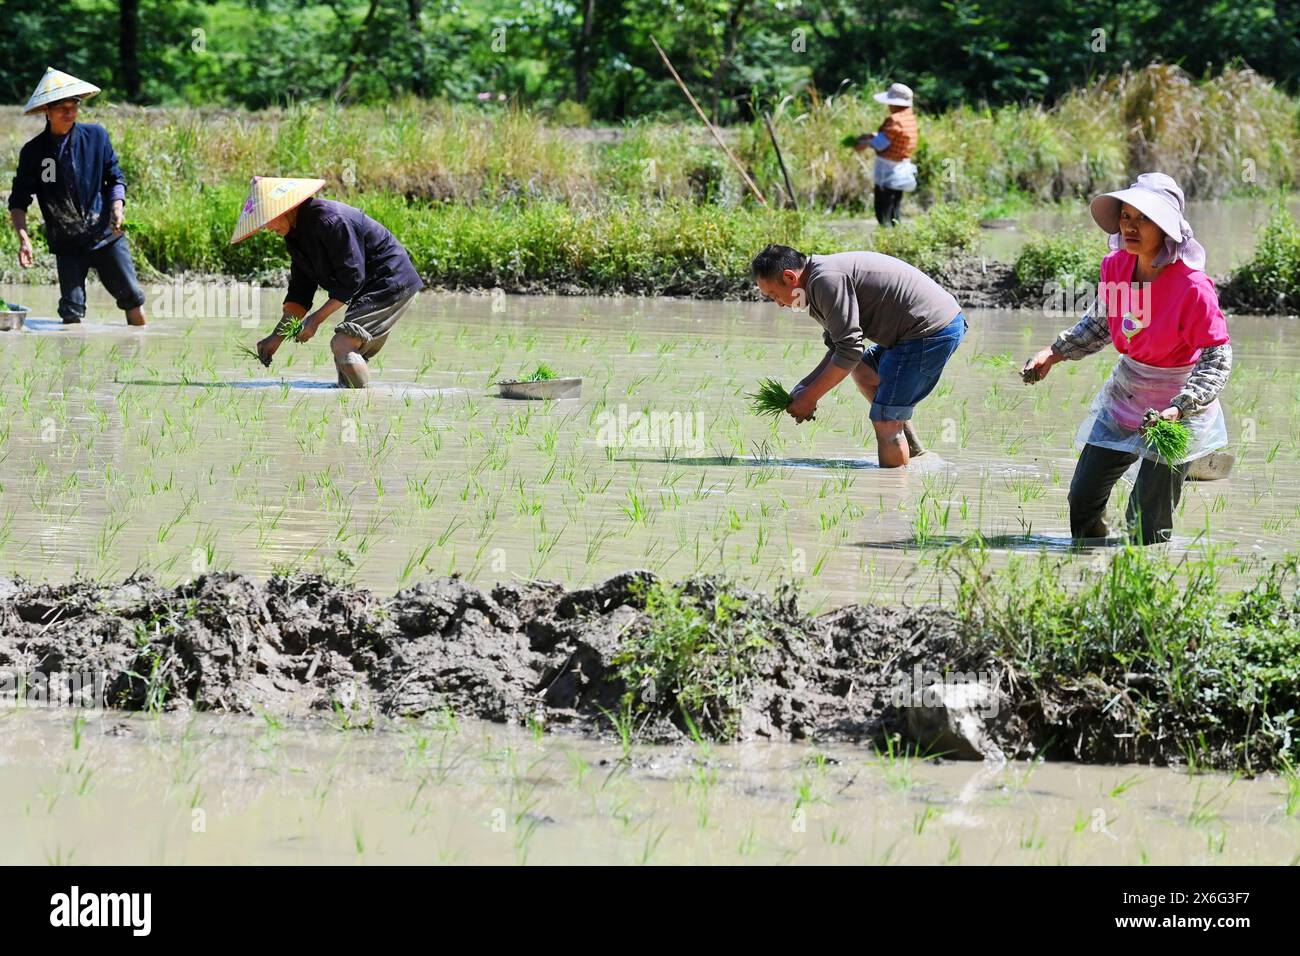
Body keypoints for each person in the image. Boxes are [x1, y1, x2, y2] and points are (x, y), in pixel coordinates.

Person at [1022, 172, 1232, 545]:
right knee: (1083, 499)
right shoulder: (1117, 266)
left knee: (1147, 522)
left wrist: (1181, 407)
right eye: (1126, 217)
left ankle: (1145, 584)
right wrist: (1053, 354)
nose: (1131, 227)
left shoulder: (1192, 287)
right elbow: (1102, 324)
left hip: (1176, 410)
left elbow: (1216, 356)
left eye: (1144, 219)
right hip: (1128, 394)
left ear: (1166, 227)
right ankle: (1092, 568)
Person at [751, 245, 967, 468]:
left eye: (774, 295)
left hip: (930, 330)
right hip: (920, 330)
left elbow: (849, 350)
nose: (778, 304)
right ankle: (914, 451)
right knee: (863, 370)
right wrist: (804, 387)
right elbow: (840, 347)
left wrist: (811, 396)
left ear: (789, 277)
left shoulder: (826, 280)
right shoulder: (815, 282)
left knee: (885, 421)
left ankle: (894, 496)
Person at [230, 177, 424, 388]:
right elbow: (300, 293)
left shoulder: (330, 221)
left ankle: (364, 407)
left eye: (267, 220)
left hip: (390, 280)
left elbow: (351, 279)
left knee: (342, 344)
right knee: (346, 359)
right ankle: (350, 402)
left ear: (284, 210)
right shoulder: (296, 237)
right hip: (372, 287)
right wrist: (275, 338)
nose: (267, 228)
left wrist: (315, 320)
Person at [7, 67, 147, 326]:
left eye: (74, 106)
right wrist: (23, 238)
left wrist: (117, 207)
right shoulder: (34, 152)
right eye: (62, 107)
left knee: (132, 299)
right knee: (71, 313)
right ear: (47, 111)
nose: (69, 112)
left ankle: (139, 345)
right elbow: (18, 200)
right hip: (67, 241)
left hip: (106, 233)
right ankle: (71, 364)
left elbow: (115, 176)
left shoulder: (96, 137)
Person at [852, 82, 919, 227]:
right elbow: (893, 137)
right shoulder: (909, 118)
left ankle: (886, 239)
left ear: (895, 104)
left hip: (888, 171)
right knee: (895, 208)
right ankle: (896, 237)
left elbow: (881, 144)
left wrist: (864, 142)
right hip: (902, 169)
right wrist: (874, 136)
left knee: (882, 210)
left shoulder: (895, 120)